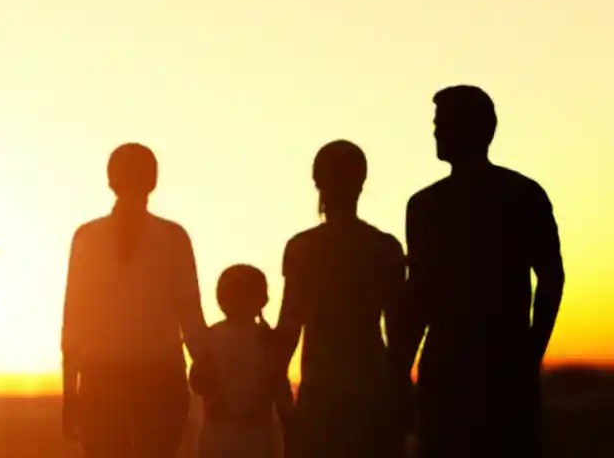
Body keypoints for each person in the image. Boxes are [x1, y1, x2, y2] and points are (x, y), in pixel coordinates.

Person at [397, 86, 565, 458]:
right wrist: (530, 352)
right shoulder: (523, 193)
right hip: (476, 366)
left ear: (475, 129)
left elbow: (551, 278)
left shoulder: (428, 205)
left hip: (469, 367)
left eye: (443, 124)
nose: (436, 133)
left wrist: (531, 352)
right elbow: (552, 279)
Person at [61, 143, 207, 458]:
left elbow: (73, 321)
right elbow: (191, 319)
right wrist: (212, 379)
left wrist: (69, 391)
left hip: (101, 381)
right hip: (160, 381)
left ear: (110, 181)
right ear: (153, 181)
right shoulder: (173, 237)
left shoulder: (86, 238)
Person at [275, 140, 410, 458]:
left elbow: (287, 330)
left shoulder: (302, 248)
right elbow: (399, 334)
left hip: (320, 393)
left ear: (317, 181)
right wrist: (402, 396)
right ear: (361, 182)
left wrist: (281, 401)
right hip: (373, 391)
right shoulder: (384, 247)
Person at [190, 264, 293, 458]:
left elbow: (196, 381)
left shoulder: (210, 337)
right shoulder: (267, 339)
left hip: (217, 434)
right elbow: (279, 384)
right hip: (256, 436)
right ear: (261, 300)